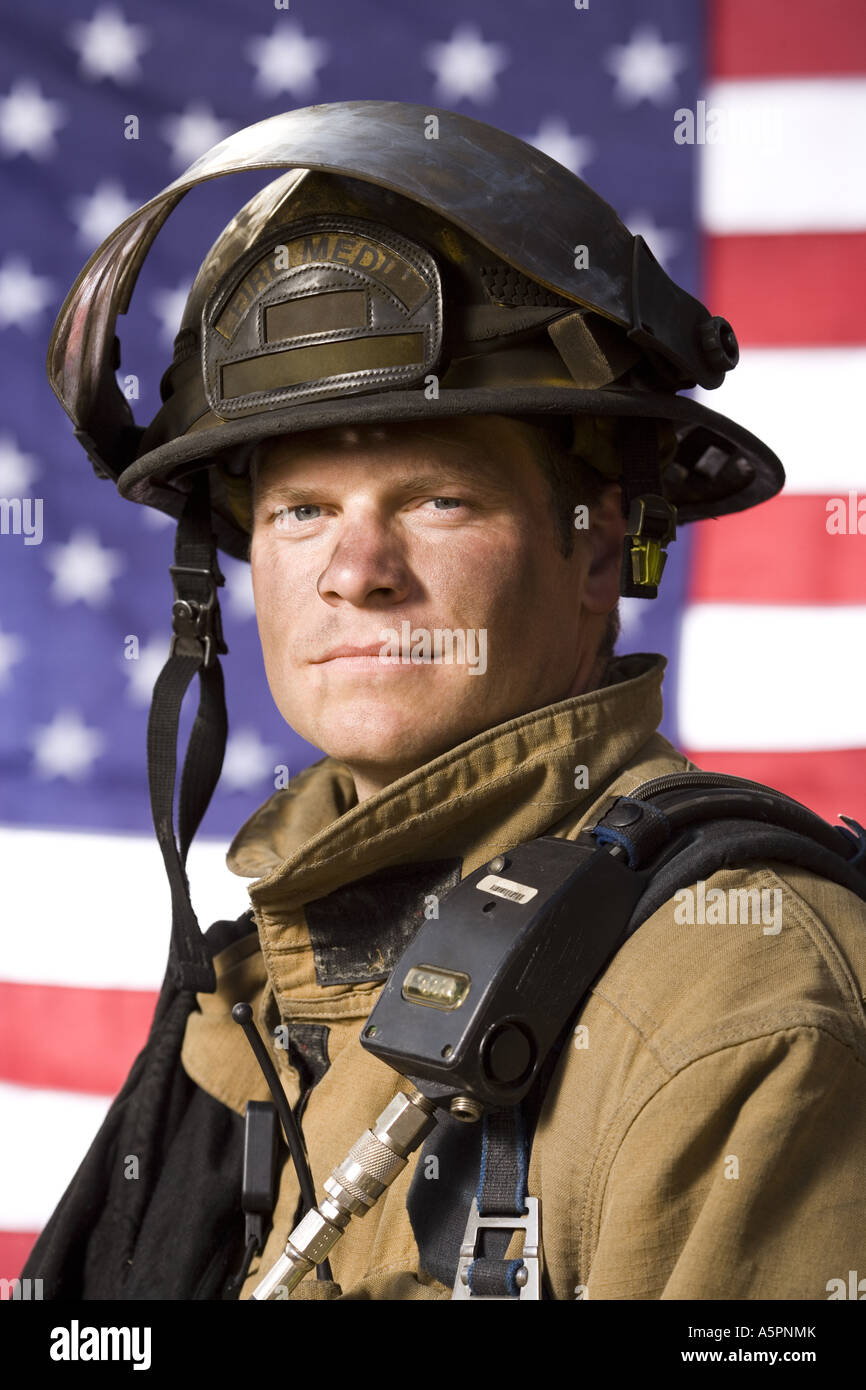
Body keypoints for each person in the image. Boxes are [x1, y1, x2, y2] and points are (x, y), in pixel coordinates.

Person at [24, 101, 866, 1301]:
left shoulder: (736, 1007)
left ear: (594, 550)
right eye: (299, 510)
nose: (353, 572)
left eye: (435, 500)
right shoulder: (252, 1004)